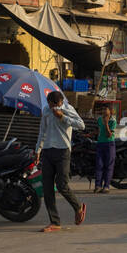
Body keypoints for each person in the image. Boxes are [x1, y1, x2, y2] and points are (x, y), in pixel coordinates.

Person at [37, 91, 87, 232]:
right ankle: (55, 222)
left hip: (63, 151)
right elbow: (42, 130)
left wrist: (63, 117)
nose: (51, 107)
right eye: (49, 105)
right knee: (47, 187)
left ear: (59, 103)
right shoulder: (46, 110)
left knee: (61, 184)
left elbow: (81, 125)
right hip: (47, 150)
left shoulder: (68, 109)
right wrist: (38, 149)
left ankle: (77, 207)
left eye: (53, 105)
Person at [94, 105, 117, 193]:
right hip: (100, 143)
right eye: (102, 109)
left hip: (109, 144)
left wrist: (106, 123)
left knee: (108, 166)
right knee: (99, 165)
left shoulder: (112, 121)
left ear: (110, 110)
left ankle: (106, 186)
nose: (104, 111)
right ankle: (98, 186)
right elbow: (99, 130)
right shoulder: (99, 119)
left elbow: (109, 135)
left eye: (105, 109)